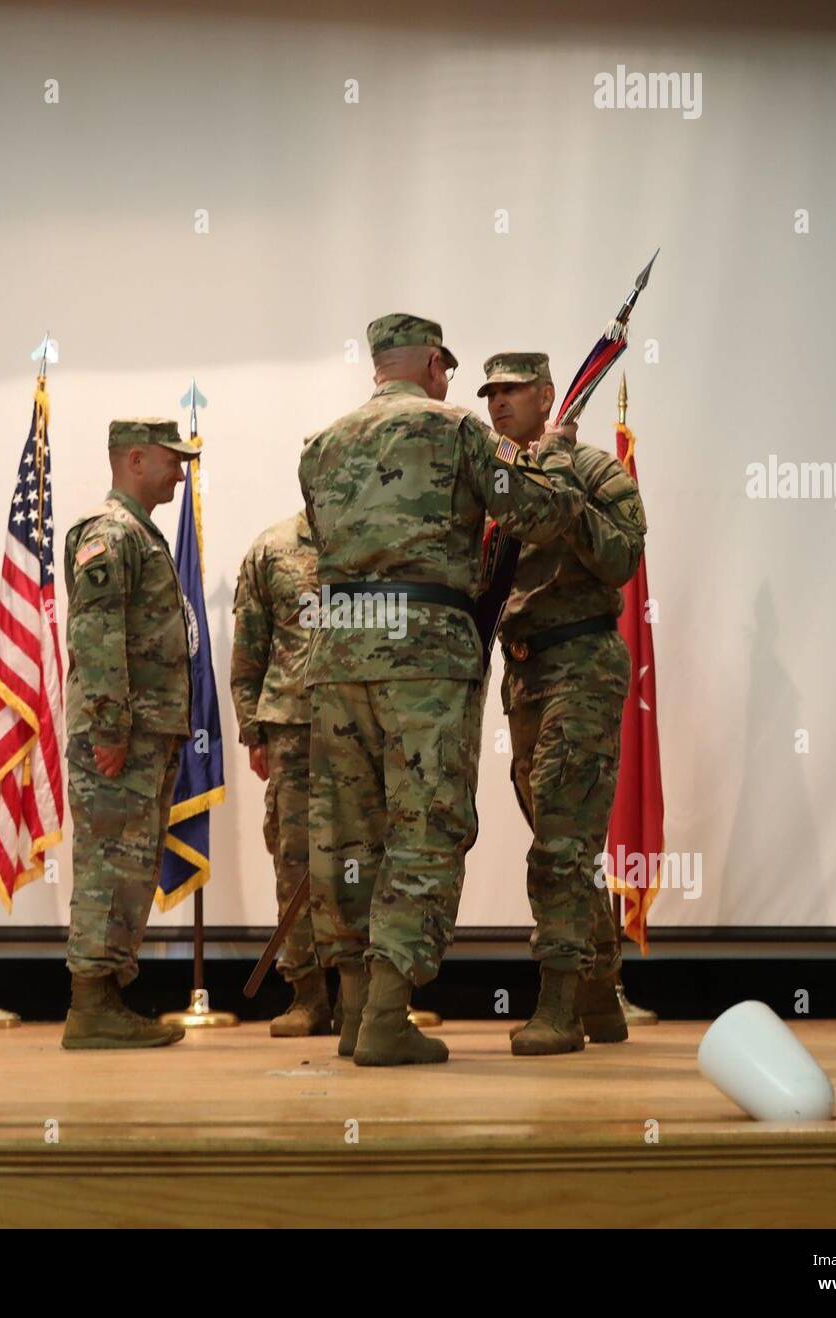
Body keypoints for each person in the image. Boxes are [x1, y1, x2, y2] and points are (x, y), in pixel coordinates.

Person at [298, 314, 588, 1067]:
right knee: (425, 824)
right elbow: (533, 513)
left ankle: (356, 1011)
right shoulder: (457, 431)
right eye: (447, 370)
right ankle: (389, 1018)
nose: (450, 383)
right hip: (421, 651)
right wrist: (552, 458)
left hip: (337, 649)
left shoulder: (322, 446)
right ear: (430, 363)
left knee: (348, 833)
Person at [480, 353, 646, 1055]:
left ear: (549, 396)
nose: (499, 404)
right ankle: (601, 998)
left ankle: (557, 1007)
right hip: (521, 673)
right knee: (565, 840)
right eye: (491, 393)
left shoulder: (595, 472)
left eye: (513, 391)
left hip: (581, 662)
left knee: (558, 841)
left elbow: (622, 559)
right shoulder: (492, 482)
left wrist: (562, 491)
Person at [60, 417, 199, 1050]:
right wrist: (111, 728)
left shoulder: (139, 535)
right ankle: (91, 1005)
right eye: (173, 459)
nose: (181, 470)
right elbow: (96, 638)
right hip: (120, 737)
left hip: (146, 735)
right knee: (107, 866)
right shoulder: (111, 535)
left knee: (130, 865)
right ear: (136, 460)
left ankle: (106, 998)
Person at [230, 510, 331, 1036]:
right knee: (295, 861)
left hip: (363, 727)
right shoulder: (271, 550)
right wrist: (253, 729)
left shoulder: (372, 543)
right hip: (291, 729)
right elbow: (249, 647)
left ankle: (370, 992)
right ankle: (308, 995)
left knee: (370, 860)